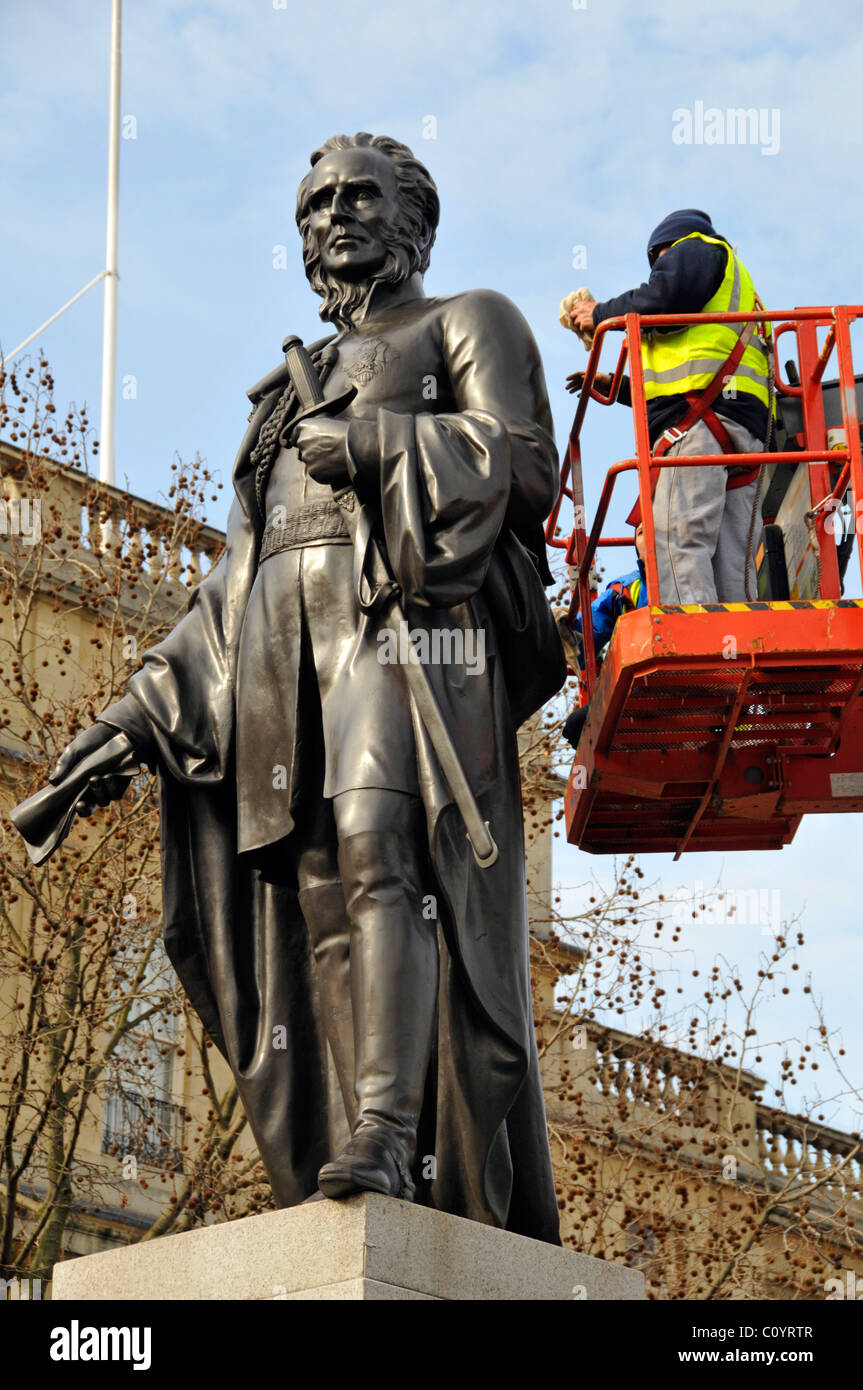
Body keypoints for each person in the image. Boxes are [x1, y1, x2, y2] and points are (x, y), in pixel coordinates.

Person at [22, 134, 564, 1243]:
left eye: (360, 195)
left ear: (413, 216)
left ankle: (385, 1126)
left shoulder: (471, 320)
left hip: (406, 632)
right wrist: (136, 717)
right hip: (280, 654)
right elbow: (234, 581)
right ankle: (351, 1137)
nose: (334, 216)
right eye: (316, 202)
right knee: (316, 889)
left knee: (381, 848)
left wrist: (368, 442)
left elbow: (521, 465)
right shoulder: (279, 396)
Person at [564, 209, 775, 605]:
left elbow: (663, 297)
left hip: (698, 426)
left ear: (663, 249)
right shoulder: (732, 289)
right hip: (738, 427)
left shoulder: (695, 248)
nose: (657, 272)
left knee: (678, 538)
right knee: (733, 561)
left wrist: (601, 312)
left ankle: (696, 654)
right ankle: (738, 650)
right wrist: (622, 388)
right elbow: (689, 366)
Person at [561, 521, 647, 749]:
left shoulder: (699, 572)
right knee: (577, 727)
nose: (646, 535)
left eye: (653, 527)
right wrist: (561, 628)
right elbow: (588, 633)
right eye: (640, 532)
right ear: (635, 545)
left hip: (695, 676)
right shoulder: (627, 588)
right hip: (642, 689)